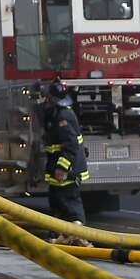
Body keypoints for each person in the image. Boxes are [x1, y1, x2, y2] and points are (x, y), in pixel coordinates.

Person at [41, 77, 92, 245]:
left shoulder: (63, 116)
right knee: (58, 205)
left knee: (70, 206)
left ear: (52, 99)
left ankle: (79, 236)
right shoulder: (56, 113)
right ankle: (60, 237)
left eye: (48, 98)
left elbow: (71, 145)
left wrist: (62, 168)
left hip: (67, 172)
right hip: (59, 172)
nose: (45, 101)